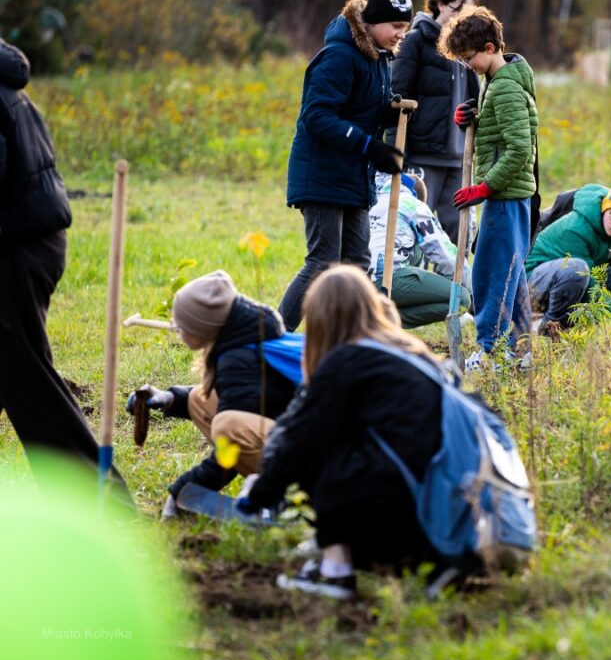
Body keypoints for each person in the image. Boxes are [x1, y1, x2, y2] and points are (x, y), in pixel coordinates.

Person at [238, 265, 445, 600]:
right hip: (444, 499)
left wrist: (260, 491)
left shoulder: (345, 363)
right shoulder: (412, 353)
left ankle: (334, 571)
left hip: (400, 503)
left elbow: (299, 438)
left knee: (324, 452)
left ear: (322, 318)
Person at [0, 38, 133, 507]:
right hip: (31, 241)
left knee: (26, 380)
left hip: (17, 251)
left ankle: (97, 498)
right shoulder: (10, 89)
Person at [278, 0, 414, 331]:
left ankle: (348, 340)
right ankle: (271, 338)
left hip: (353, 175)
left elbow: (360, 109)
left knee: (357, 264)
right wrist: (369, 145)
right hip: (322, 174)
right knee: (323, 263)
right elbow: (317, 115)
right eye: (396, 26)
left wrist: (390, 114)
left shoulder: (379, 58)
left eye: (405, 27)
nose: (402, 34)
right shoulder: (339, 56)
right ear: (374, 21)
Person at [126, 271, 296, 519]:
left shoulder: (239, 361)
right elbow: (230, 398)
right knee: (199, 398)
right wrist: (170, 398)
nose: (176, 329)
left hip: (314, 465)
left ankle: (286, 496)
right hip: (295, 441)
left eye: (182, 325)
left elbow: (228, 451)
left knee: (229, 427)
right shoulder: (244, 339)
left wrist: (184, 490)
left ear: (203, 327)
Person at [439, 6, 538, 371]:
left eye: (470, 58)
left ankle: (490, 351)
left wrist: (485, 187)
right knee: (512, 273)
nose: (469, 66)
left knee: (493, 274)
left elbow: (519, 148)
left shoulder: (506, 88)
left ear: (490, 47)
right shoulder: (495, 82)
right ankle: (520, 349)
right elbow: (501, 132)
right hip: (509, 196)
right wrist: (473, 120)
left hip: (504, 197)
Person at [389, 0, 481, 241]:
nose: (462, 18)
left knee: (458, 229)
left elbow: (476, 99)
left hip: (459, 157)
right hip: (424, 155)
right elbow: (398, 96)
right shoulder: (416, 41)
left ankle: (456, 271)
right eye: (457, 9)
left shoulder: (468, 47)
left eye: (469, 13)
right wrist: (395, 154)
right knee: (418, 228)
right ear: (441, 4)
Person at [525, 182, 611, 336]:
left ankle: (597, 327)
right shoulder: (576, 229)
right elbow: (590, 286)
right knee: (576, 269)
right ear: (604, 209)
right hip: (532, 282)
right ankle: (549, 331)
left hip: (572, 278)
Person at [368, 172, 471, 327]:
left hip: (353, 281)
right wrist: (471, 289)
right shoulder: (414, 205)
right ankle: (381, 320)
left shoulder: (367, 197)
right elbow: (447, 257)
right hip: (385, 278)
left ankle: (371, 314)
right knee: (461, 299)